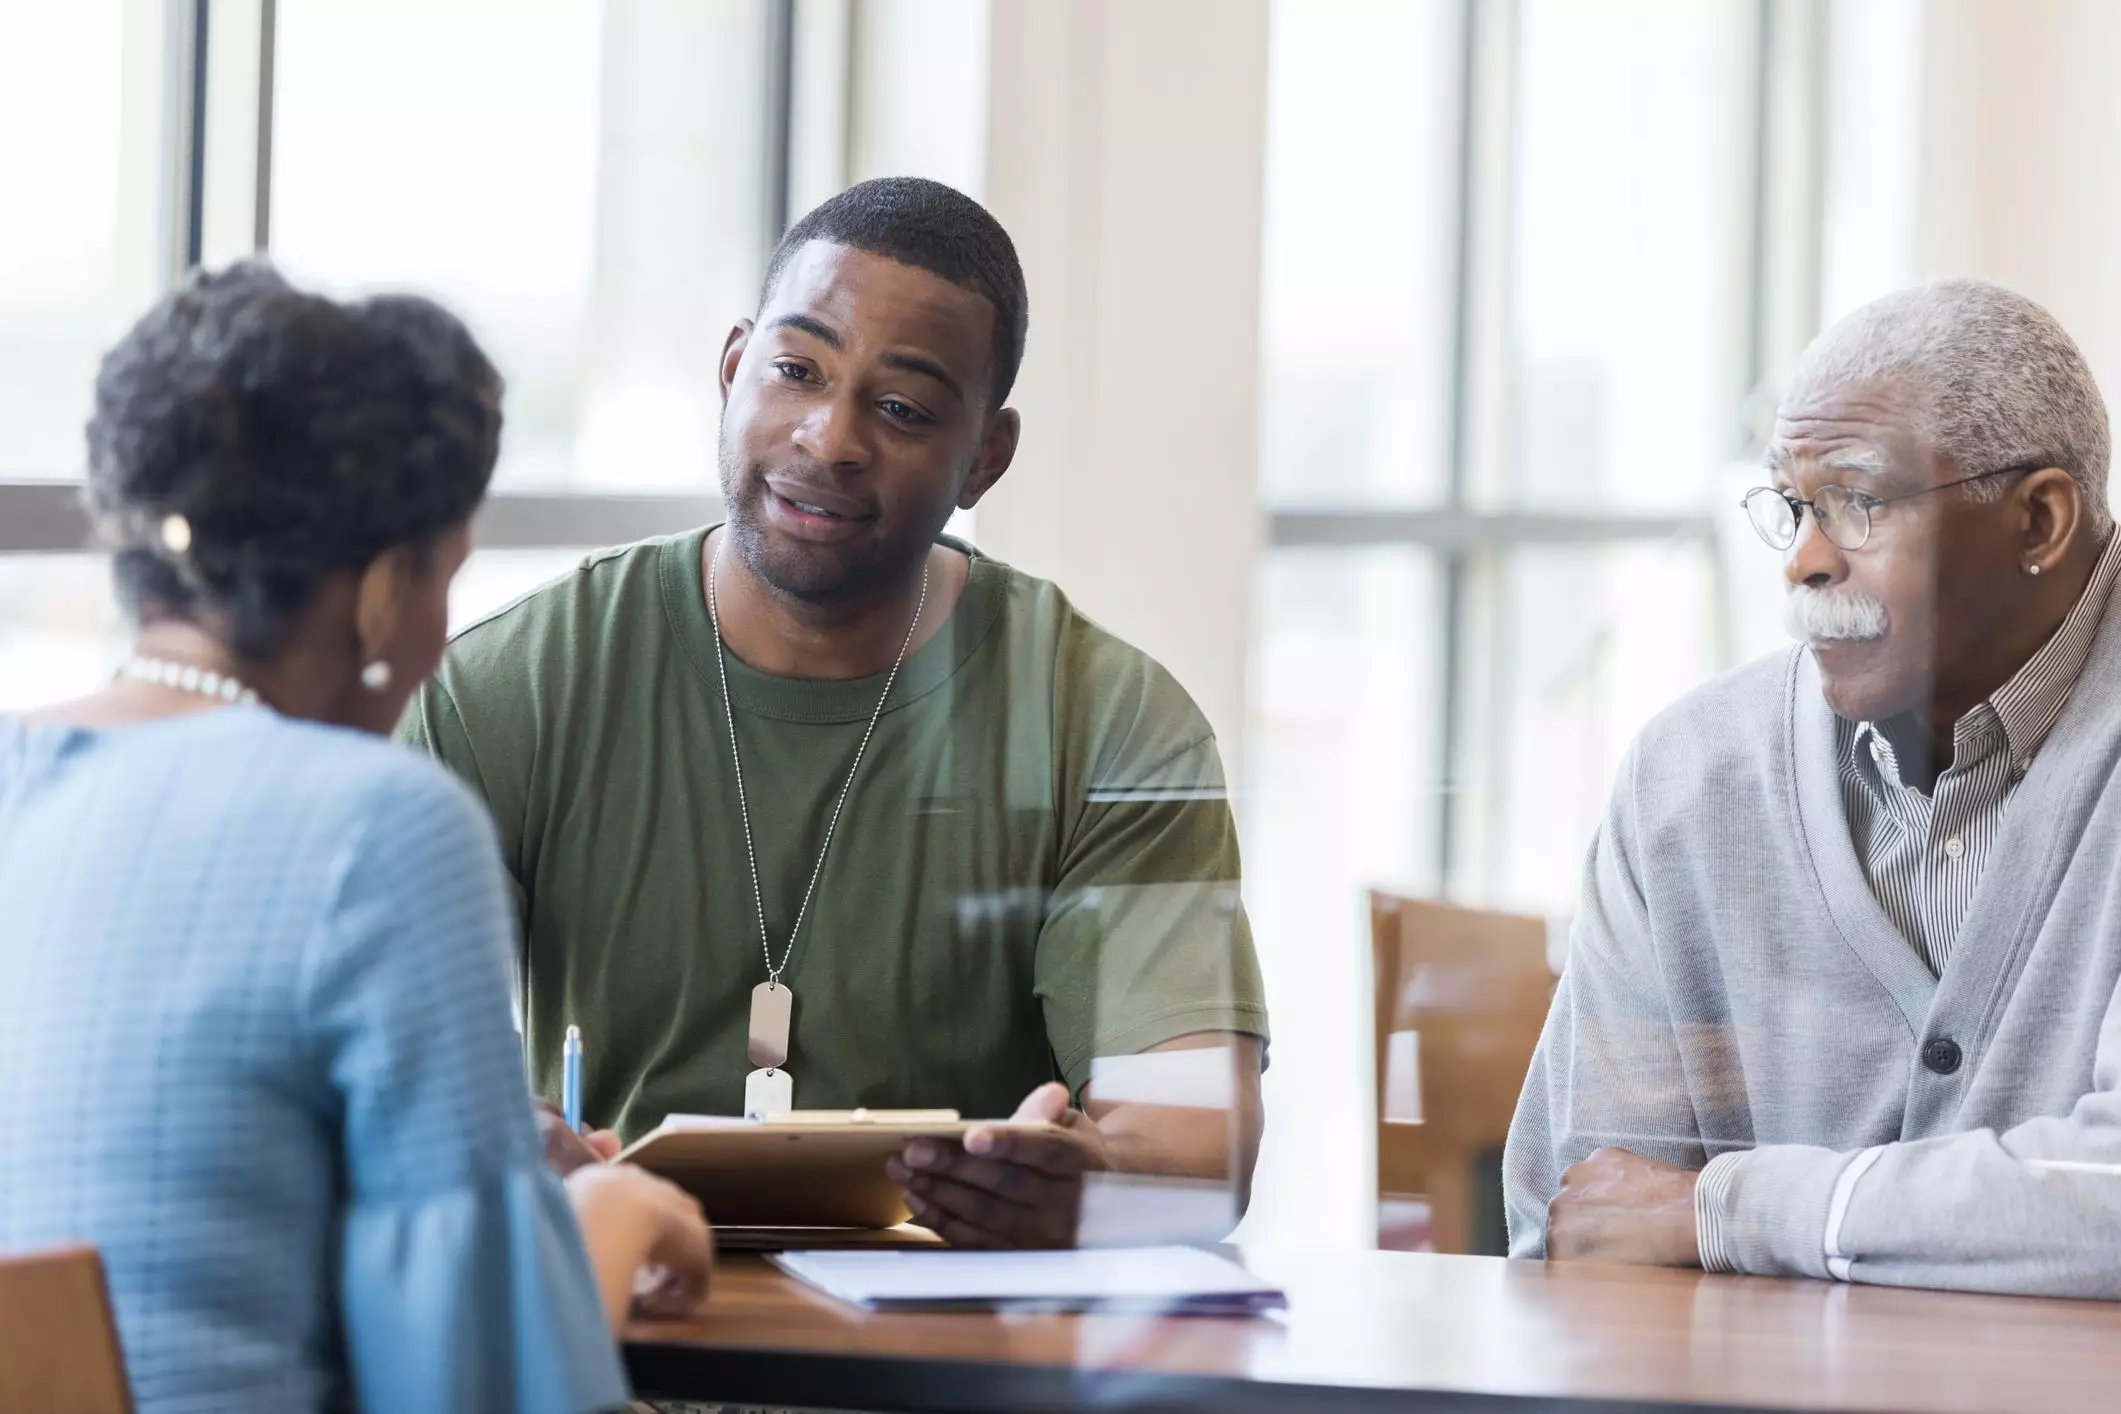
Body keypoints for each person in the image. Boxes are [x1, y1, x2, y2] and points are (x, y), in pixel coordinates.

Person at [399, 176, 1269, 1248]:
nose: (830, 437)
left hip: (947, 1353)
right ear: (731, 372)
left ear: (984, 458)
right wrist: (487, 1137)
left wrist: (1093, 1182)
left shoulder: (1111, 719)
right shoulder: (507, 690)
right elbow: (388, 1073)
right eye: (795, 370)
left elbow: (1196, 1150)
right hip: (613, 1335)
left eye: (901, 407)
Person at [0, 263, 715, 1413]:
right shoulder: (376, 826)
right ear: (383, 593)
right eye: (448, 579)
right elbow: (477, 1387)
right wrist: (611, 1217)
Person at [1503, 278, 2121, 1299]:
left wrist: (1726, 1210)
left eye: (1857, 503)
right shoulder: (1688, 782)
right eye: (1793, 506)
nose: (1802, 561)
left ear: (2040, 521)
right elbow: (1586, 1223)